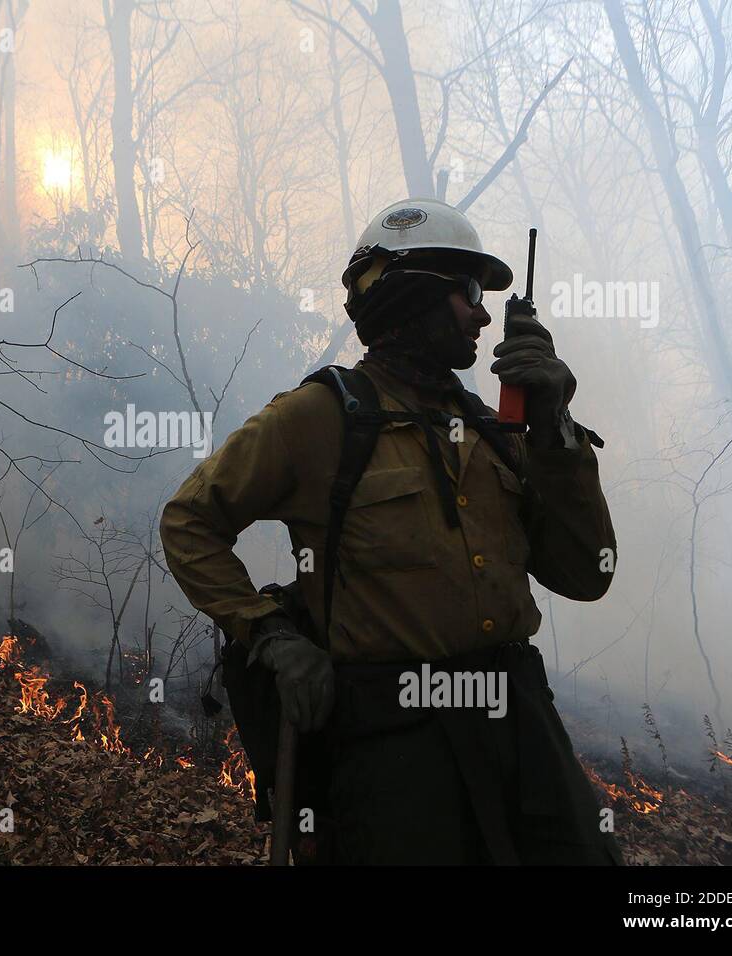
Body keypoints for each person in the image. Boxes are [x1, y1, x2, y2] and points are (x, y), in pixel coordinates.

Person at [160, 198, 622, 864]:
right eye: (468, 292)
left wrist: (554, 429)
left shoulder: (497, 433)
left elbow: (588, 574)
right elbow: (189, 520)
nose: (484, 313)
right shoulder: (318, 418)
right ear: (413, 295)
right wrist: (267, 633)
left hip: (521, 723)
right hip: (395, 747)